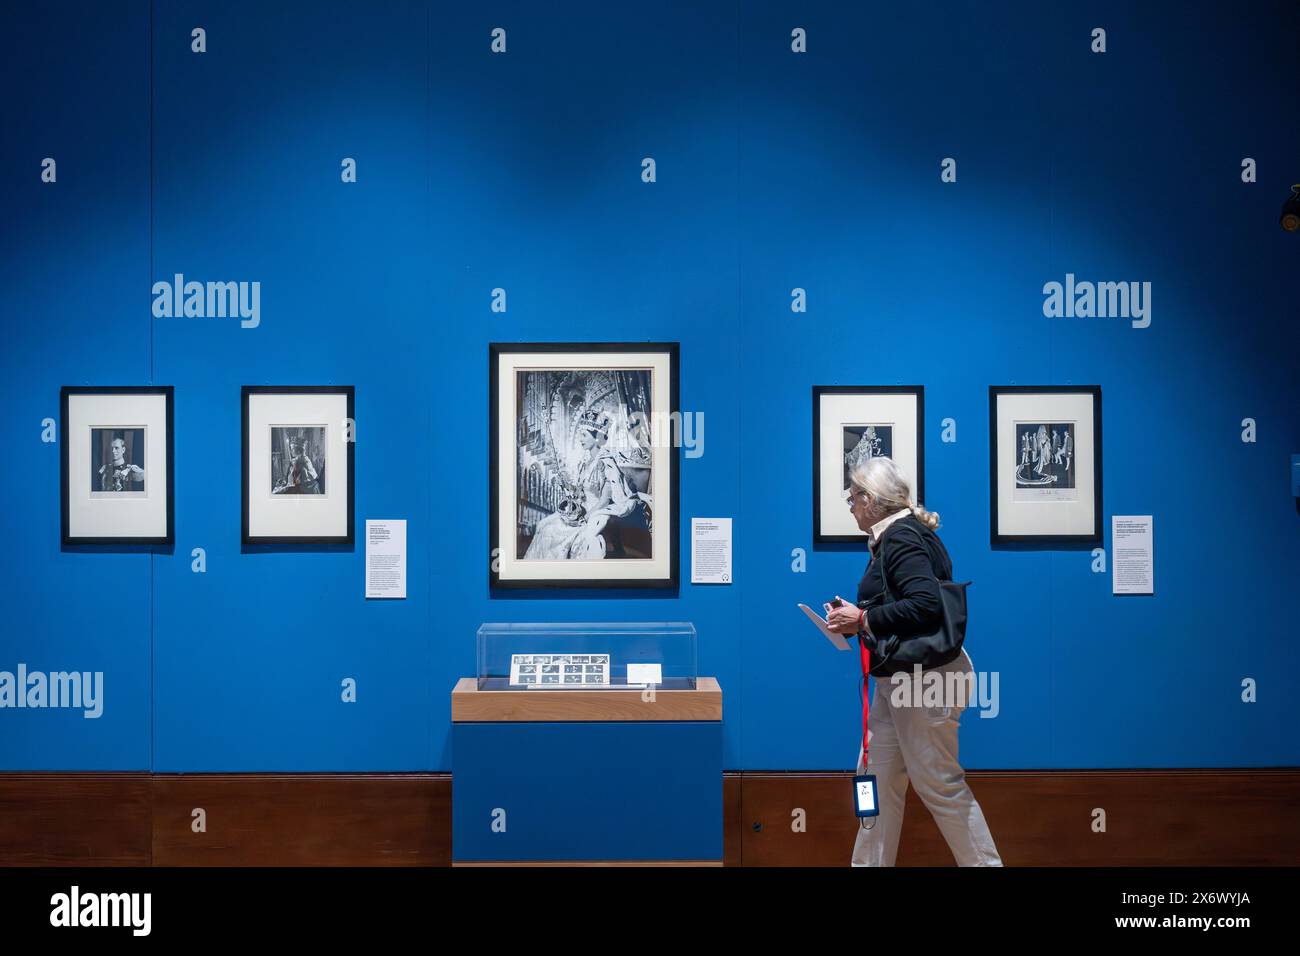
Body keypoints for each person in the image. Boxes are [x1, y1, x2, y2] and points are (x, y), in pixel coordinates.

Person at [826, 456, 1002, 867]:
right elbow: (908, 602)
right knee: (873, 782)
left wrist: (864, 618)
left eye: (852, 498)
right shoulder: (900, 535)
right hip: (901, 681)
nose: (850, 506)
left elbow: (924, 605)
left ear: (870, 500)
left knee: (939, 784)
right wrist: (859, 618)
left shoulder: (901, 536)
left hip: (924, 680)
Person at [524, 409, 641, 559]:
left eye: (584, 435)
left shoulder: (607, 463)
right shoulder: (583, 463)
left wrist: (584, 518)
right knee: (544, 526)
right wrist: (565, 484)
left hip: (596, 512)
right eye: (579, 434)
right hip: (580, 510)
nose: (580, 439)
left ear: (596, 437)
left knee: (564, 536)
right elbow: (579, 492)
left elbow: (604, 500)